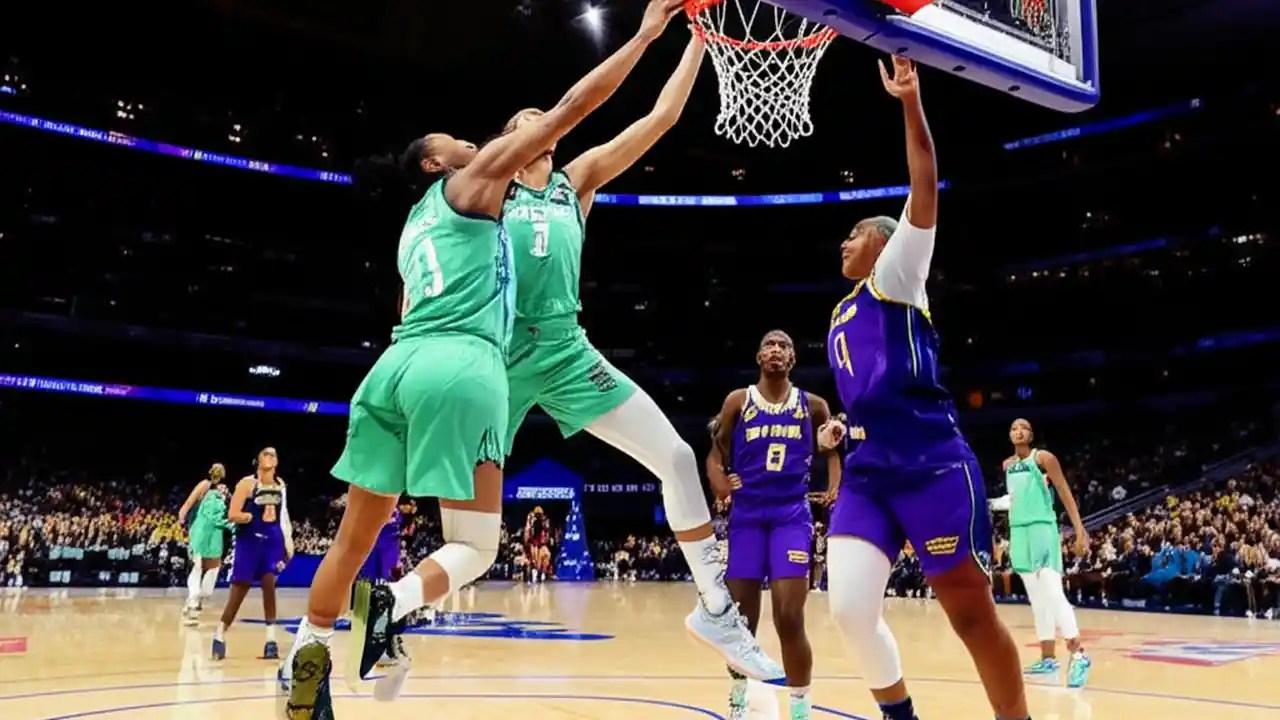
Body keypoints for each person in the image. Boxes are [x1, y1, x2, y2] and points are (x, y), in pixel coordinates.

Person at [281, 3, 692, 717]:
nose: (478, 142)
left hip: (393, 369)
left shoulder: (416, 225)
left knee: (354, 537)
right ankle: (392, 606)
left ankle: (305, 667)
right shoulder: (469, 187)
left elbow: (408, 309)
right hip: (463, 366)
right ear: (437, 163)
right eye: (462, 141)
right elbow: (570, 108)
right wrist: (649, 33)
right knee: (472, 545)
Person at [501, 32, 781, 680]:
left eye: (543, 117)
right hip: (501, 357)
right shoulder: (490, 193)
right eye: (523, 120)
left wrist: (698, 44)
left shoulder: (577, 182)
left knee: (679, 459)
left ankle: (716, 608)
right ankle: (356, 618)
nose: (538, 123)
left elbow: (661, 119)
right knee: (452, 512)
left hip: (569, 353)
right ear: (508, 142)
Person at [818, 56, 1031, 720]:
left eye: (854, 233)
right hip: (869, 472)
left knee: (969, 616)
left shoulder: (899, 275)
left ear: (885, 243)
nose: (843, 242)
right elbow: (867, 391)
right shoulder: (838, 313)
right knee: (849, 609)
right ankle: (900, 715)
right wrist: (840, 430)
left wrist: (910, 101)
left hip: (932, 464)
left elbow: (924, 182)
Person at [707, 330, 840, 720]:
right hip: (747, 516)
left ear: (793, 359)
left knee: (789, 616)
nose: (776, 349)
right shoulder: (738, 400)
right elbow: (715, 455)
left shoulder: (813, 405)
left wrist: (834, 486)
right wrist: (718, 481)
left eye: (784, 346)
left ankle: (800, 709)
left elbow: (833, 449)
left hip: (790, 516)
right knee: (742, 620)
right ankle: (738, 695)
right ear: (759, 356)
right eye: (769, 344)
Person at [988, 418, 1092, 688]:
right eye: (1012, 427)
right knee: (1037, 599)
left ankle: (1079, 654)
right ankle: (1048, 658)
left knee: (1054, 592)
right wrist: (991, 504)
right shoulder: (1007, 465)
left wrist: (1079, 529)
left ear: (1031, 434)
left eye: (1022, 427)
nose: (1017, 430)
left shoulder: (1043, 458)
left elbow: (1064, 491)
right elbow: (1014, 499)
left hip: (1042, 528)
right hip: (1018, 531)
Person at [213, 447, 293, 661]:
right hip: (249, 540)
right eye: (266, 453)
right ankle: (220, 633)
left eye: (274, 454)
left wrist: (288, 541)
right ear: (257, 460)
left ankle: (271, 640)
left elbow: (283, 515)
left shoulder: (280, 485)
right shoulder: (246, 484)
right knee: (240, 588)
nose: (270, 456)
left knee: (269, 585)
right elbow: (232, 514)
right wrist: (246, 517)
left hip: (271, 538)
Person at [178, 463, 235, 626]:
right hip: (201, 529)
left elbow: (227, 513)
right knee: (197, 566)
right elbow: (189, 502)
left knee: (212, 569)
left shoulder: (224, 491)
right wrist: (182, 517)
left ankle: (194, 600)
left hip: (216, 533)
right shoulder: (204, 485)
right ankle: (193, 602)